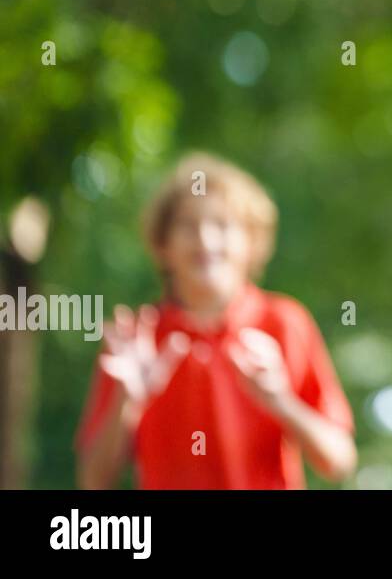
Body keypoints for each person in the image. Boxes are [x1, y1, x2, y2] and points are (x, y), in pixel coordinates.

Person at [76, 153, 356, 489]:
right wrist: (127, 399)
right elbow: (93, 481)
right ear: (163, 245)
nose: (206, 240)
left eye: (223, 224)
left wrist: (282, 403)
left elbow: (339, 461)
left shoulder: (284, 322)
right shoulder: (137, 340)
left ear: (252, 243)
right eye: (188, 225)